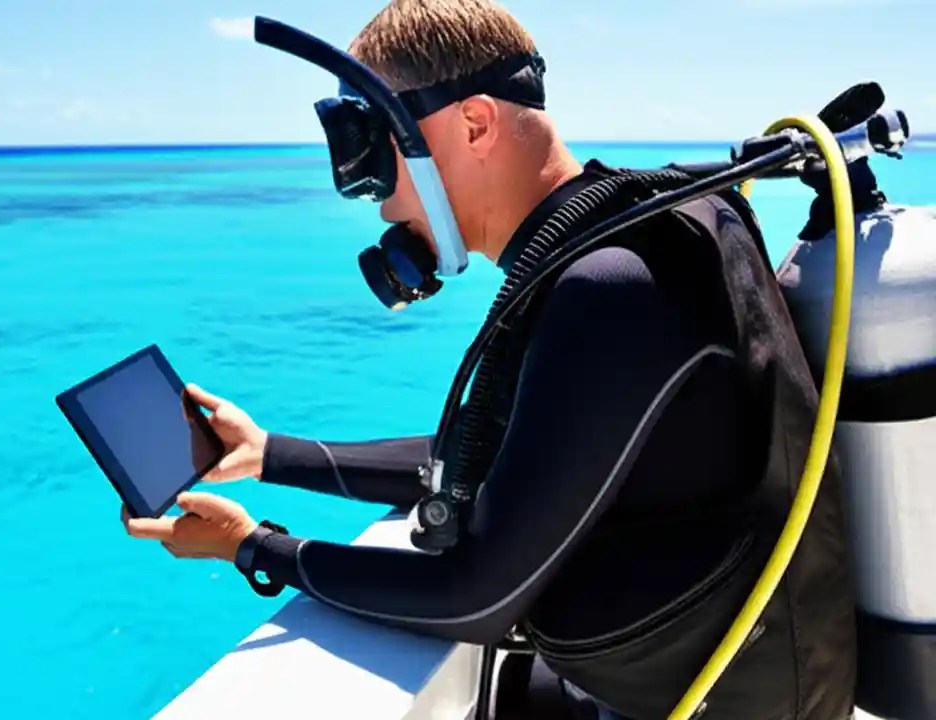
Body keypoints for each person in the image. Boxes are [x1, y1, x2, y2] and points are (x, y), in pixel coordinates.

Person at [121, 1, 857, 718]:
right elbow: (502, 460)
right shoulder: (635, 233)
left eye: (380, 156)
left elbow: (473, 598)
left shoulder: (611, 286)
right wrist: (269, 455)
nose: (379, 205)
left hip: (699, 699)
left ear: (474, 123)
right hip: (700, 670)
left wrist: (252, 547)